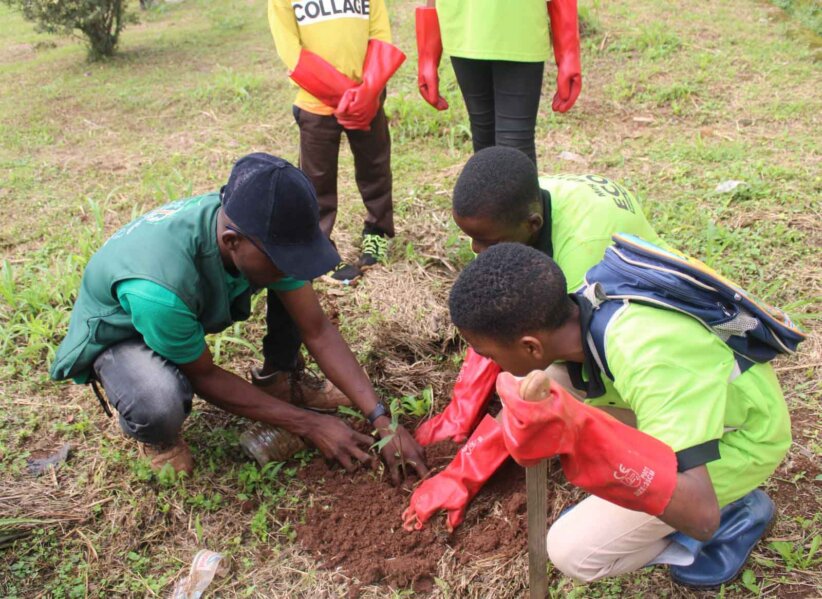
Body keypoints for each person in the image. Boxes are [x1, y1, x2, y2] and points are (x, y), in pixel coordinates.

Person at [408, 242, 790, 587]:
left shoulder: (647, 353)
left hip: (742, 432)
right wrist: (461, 475)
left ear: (530, 346)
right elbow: (540, 390)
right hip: (696, 400)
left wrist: (584, 433)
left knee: (573, 550)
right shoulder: (583, 309)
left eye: (488, 355)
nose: (490, 364)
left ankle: (737, 512)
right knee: (542, 389)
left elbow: (700, 512)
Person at [50, 153, 427, 485]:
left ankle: (279, 379)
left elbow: (317, 328)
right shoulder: (158, 290)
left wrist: (381, 418)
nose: (291, 267)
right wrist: (309, 424)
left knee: (287, 279)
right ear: (232, 243)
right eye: (281, 257)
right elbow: (205, 375)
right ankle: (157, 437)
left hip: (176, 304)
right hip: (124, 330)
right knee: (158, 398)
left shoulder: (262, 231)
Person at [415, 146, 662, 448]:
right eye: (472, 238)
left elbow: (523, 328)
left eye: (486, 241)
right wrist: (461, 411)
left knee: (537, 394)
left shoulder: (582, 255)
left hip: (636, 329)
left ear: (533, 224)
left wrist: (468, 469)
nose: (477, 249)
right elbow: (492, 302)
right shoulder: (516, 202)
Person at [269, 0, 405, 285]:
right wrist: (345, 95)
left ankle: (377, 233)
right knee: (316, 181)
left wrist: (368, 92)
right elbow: (290, 50)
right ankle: (319, 251)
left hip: (368, 99)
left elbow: (380, 34)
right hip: (317, 103)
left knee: (375, 168)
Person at [415, 0, 581, 166]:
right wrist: (427, 53)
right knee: (484, 141)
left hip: (520, 20)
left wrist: (568, 51)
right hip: (463, 21)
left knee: (514, 148)